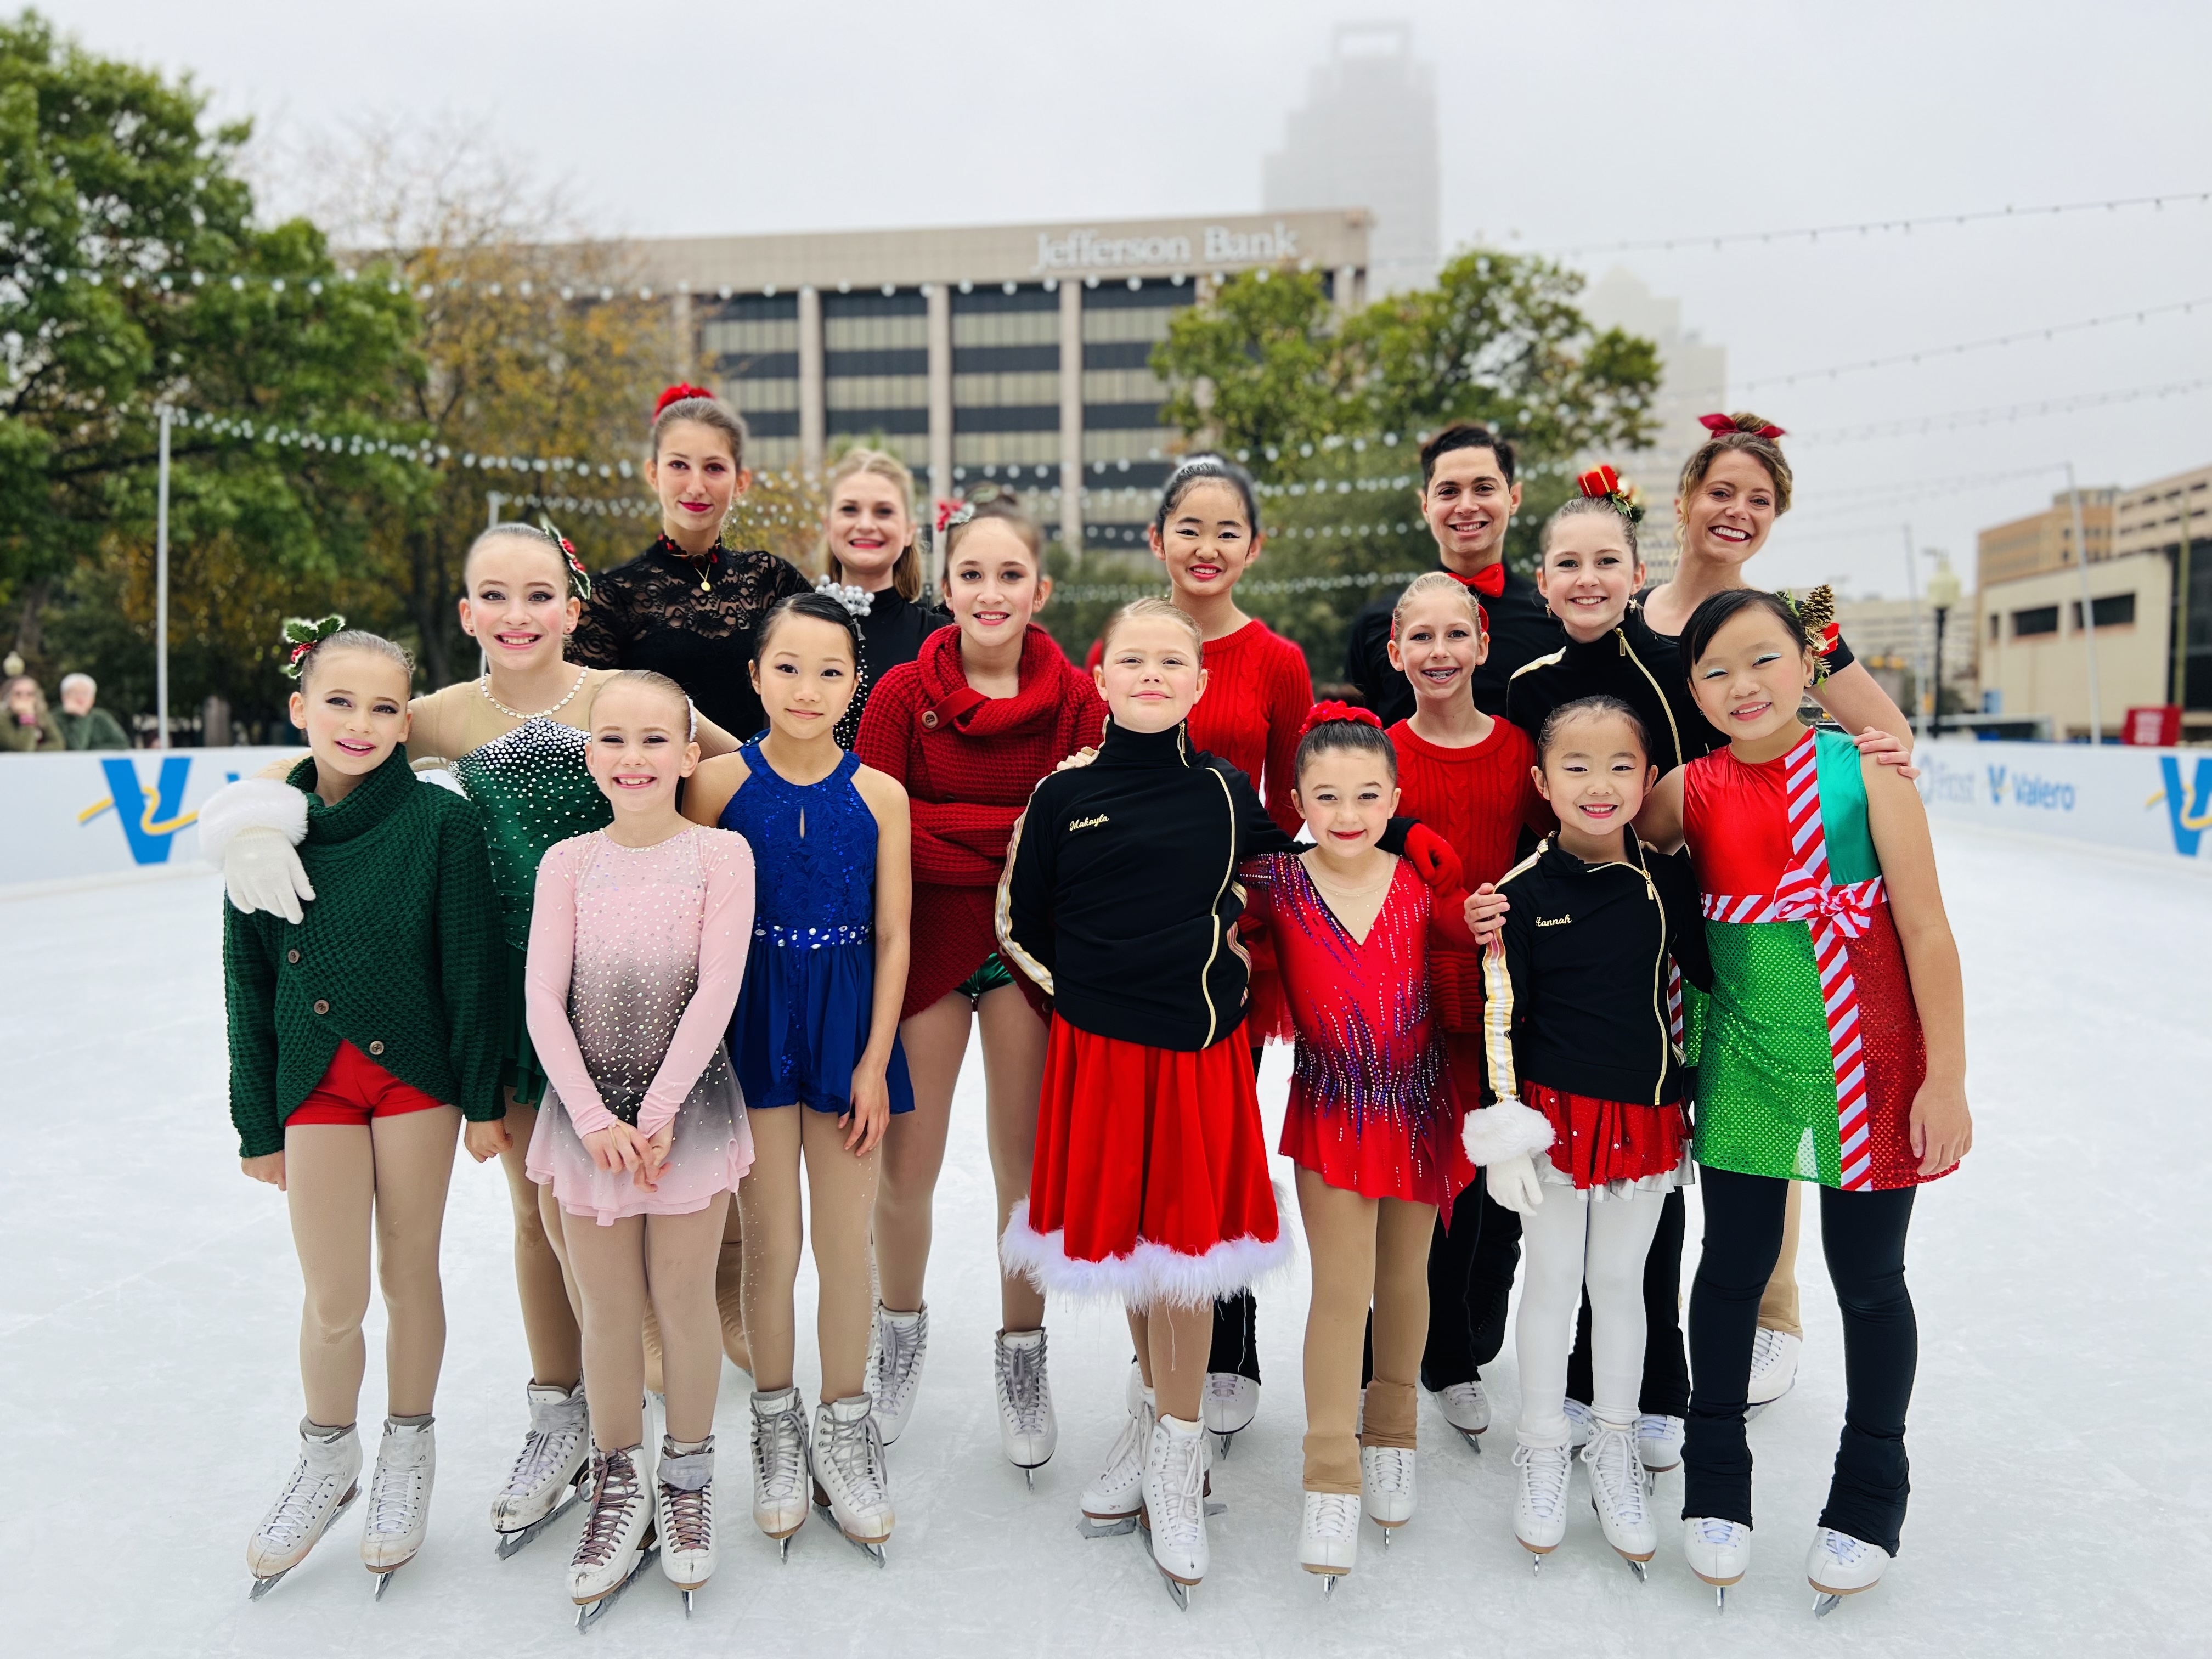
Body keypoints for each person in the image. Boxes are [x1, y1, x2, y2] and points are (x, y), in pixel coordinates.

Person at [201, 524, 750, 1554]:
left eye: (538, 594)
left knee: (627, 1202)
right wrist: (255, 819)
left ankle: (650, 1387)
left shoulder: (621, 694)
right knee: (541, 1215)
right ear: (466, 612)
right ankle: (561, 1411)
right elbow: (335, 741)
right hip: (509, 985)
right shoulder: (444, 712)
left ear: (573, 606)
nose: (517, 614)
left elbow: (728, 758)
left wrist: (708, 861)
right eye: (494, 595)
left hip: (627, 983)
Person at [1635, 588, 1971, 1610]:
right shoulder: (1685, 790)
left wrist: (1948, 1076)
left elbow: (1927, 930)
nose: (1743, 686)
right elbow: (1612, 843)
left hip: (1869, 1055)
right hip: (1742, 1053)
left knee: (1868, 1278)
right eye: (1715, 672)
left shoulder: (1867, 773)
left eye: (1764, 660)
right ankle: (1716, 1480)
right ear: (1694, 693)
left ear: (1807, 665)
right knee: (1731, 1268)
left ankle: (1870, 1491)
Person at [996, 597, 1302, 1607]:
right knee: (1132, 1243)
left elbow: (1290, 879)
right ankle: (1154, 1415)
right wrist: (1085, 999)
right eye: (1134, 659)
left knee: (1187, 1255)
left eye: (1173, 660)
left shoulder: (1222, 788)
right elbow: (1021, 920)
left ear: (1200, 684)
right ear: (1101, 676)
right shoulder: (1061, 794)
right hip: (1100, 1050)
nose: (1154, 674)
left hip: (1200, 1052)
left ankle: (1178, 1452)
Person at [1635, 415, 1918, 1417]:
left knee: (1789, 1104)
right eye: (1722, 491)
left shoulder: (1793, 623)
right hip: (1675, 875)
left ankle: (1774, 1310)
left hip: (1781, 883)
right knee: (1709, 1118)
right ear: (1684, 499)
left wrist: (1855, 782)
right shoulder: (1630, 612)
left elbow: (1887, 735)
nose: (1738, 511)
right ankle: (1652, 1331)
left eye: (1760, 499)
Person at [217, 622, 502, 1598]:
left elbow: (471, 966)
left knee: (408, 1270)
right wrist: (257, 1121)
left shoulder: (440, 824)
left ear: (407, 722)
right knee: (333, 1295)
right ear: (301, 706)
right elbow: (247, 982)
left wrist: (481, 1098)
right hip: (315, 1084)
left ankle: (408, 1447)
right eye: (340, 701)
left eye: (385, 707)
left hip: (415, 1078)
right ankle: (328, 1456)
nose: (361, 722)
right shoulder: (261, 835)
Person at [852, 489, 1105, 1474]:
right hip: (921, 947)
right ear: (945, 587)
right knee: (903, 1168)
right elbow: (879, 830)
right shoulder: (898, 697)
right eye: (971, 574)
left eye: (1010, 574)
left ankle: (1022, 1352)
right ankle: (898, 1329)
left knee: (1024, 1170)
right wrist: (1010, 835)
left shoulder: (1079, 700)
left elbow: (1073, 839)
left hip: (1030, 957)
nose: (990, 591)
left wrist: (947, 829)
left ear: (1040, 589)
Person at [1082, 453, 1313, 1449]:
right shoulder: (1127, 645)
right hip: (1132, 944)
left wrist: (1252, 911)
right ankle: (1157, 1360)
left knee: (1218, 1139)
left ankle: (1231, 1339)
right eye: (1189, 527)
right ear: (1157, 539)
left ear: (1253, 547)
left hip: (1229, 938)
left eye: (1227, 531)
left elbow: (1294, 803)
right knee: (1145, 1148)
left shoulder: (1277, 660)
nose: (1206, 547)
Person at [682, 591, 913, 1560]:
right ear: (754, 676)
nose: (807, 688)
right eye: (787, 668)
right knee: (771, 1241)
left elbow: (895, 934)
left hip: (849, 1021)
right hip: (753, 1020)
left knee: (846, 1243)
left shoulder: (882, 795)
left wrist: (874, 1058)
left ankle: (845, 1427)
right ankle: (776, 1426)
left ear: (855, 683)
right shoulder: (715, 784)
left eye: (830, 671)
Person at [524, 669, 755, 1622]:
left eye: (655, 738)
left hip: (685, 1113)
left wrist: (658, 1110)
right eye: (613, 738)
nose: (633, 756)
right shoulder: (568, 861)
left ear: (689, 754)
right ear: (590, 756)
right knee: (609, 1312)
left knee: (685, 1302)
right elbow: (543, 996)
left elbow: (717, 987)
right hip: (588, 1118)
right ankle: (617, 1482)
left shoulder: (721, 853)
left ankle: (688, 1480)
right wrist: (592, 1118)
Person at [1461, 694, 1707, 1577]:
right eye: (1576, 767)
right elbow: (1500, 1017)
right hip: (1555, 1123)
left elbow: (1709, 980)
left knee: (1620, 1283)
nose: (1598, 785)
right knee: (1554, 1278)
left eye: (1619, 767)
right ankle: (1540, 1443)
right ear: (1542, 781)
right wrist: (1507, 1130)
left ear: (1648, 780)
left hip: (1644, 1117)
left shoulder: (1667, 880)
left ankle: (1612, 1440)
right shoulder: (1518, 895)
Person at [1237, 704, 1476, 1587]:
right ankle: (1331, 1470)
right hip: (1333, 1106)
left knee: (1405, 1277)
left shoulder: (1423, 882)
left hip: (1420, 1105)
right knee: (1342, 1289)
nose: (1347, 813)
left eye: (1368, 795)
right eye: (1327, 795)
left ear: (1396, 798)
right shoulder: (1273, 882)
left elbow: (1471, 972)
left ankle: (1395, 1426)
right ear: (1297, 800)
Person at [1380, 572, 1553, 1451]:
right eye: (1422, 637)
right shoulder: (1380, 755)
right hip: (1409, 992)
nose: (1440, 652)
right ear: (1396, 652)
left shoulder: (1519, 749)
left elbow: (1554, 849)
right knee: (1415, 1176)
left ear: (1484, 644)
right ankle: (1396, 1349)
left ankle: (1456, 1350)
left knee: (1483, 1174)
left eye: (1457, 635)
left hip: (1499, 999)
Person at [571, 383, 810, 742]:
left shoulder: (772, 580)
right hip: (652, 778)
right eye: (679, 465)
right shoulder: (609, 597)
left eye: (714, 467)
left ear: (741, 481)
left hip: (761, 777)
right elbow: (589, 729)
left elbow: (827, 676)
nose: (696, 486)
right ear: (653, 473)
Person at [1342, 423, 1563, 726]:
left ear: (1514, 498)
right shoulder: (1378, 623)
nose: (1467, 506)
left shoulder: (1554, 618)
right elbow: (1351, 739)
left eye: (1484, 488)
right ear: (1425, 505)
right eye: (1449, 492)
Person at [815, 447, 951, 746]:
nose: (866, 524)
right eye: (850, 509)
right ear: (828, 525)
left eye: (884, 511)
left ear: (908, 531)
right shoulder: (792, 626)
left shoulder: (941, 640)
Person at [56, 673, 130, 749]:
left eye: (85, 693)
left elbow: (122, 744)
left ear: (93, 699)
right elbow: (76, 747)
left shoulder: (101, 717)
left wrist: (91, 751)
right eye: (75, 693)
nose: (80, 698)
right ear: (64, 697)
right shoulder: (56, 718)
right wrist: (81, 717)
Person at [3, 674, 65, 751]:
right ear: (9, 697)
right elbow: (22, 749)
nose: (24, 698)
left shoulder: (42, 715)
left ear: (36, 698)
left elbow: (58, 744)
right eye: (18, 694)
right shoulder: (3, 718)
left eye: (29, 694)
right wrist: (27, 717)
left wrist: (36, 752)